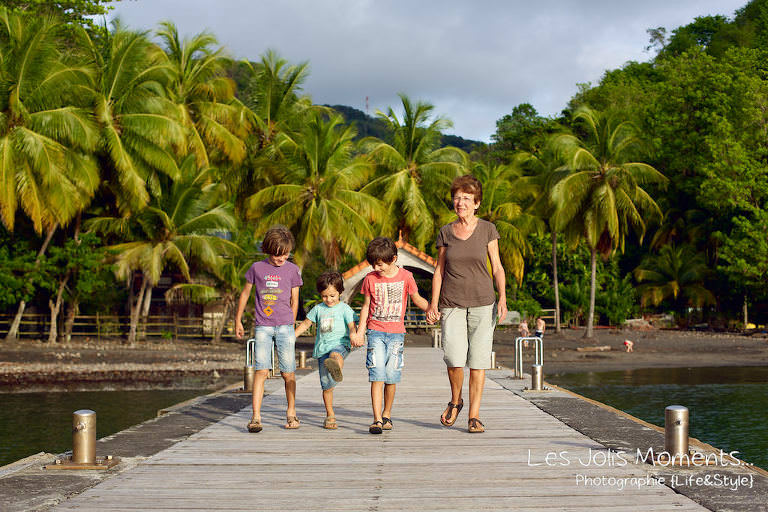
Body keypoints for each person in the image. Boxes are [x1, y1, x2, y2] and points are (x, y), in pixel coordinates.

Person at [426, 175, 507, 434]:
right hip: (452, 303)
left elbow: (497, 266)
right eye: (457, 197)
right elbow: (439, 269)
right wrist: (433, 304)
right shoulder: (446, 232)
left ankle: (474, 416)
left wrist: (502, 296)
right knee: (453, 357)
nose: (460, 202)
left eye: (466, 198)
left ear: (477, 203)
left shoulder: (487, 229)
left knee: (478, 361)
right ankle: (456, 400)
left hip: (484, 303)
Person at [357, 237, 430, 434]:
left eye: (380, 264)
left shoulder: (406, 276)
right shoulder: (370, 279)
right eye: (373, 264)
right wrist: (360, 331)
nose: (376, 267)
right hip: (375, 332)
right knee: (376, 374)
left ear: (393, 259)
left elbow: (417, 299)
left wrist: (431, 311)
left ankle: (387, 413)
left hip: (397, 334)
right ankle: (377, 419)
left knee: (391, 376)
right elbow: (365, 307)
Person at [235, 226, 303, 433]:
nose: (281, 258)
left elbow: (295, 299)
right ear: (267, 251)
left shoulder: (292, 270)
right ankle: (256, 417)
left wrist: (291, 324)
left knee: (288, 373)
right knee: (261, 371)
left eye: (285, 254)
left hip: (285, 327)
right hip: (263, 326)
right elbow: (245, 294)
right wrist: (238, 320)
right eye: (276, 255)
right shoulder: (256, 268)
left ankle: (291, 412)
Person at [294, 271, 361, 429]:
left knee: (335, 354)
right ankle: (330, 415)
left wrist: (354, 335)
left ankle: (336, 368)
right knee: (326, 387)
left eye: (332, 296)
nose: (329, 299)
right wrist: (293, 335)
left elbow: (352, 326)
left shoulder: (345, 309)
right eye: (325, 296)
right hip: (322, 350)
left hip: (341, 344)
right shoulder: (318, 309)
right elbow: (305, 324)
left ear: (340, 292)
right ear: (321, 295)